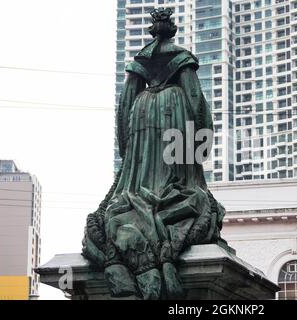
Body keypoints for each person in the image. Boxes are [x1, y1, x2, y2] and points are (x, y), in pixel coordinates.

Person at [82, 8, 226, 300]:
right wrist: (202, 144)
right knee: (180, 182)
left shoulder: (140, 64)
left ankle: (141, 198)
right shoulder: (182, 60)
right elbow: (196, 101)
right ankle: (171, 198)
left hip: (143, 113)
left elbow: (124, 108)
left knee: (134, 190)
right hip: (174, 110)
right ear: (171, 31)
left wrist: (127, 150)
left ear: (152, 32)